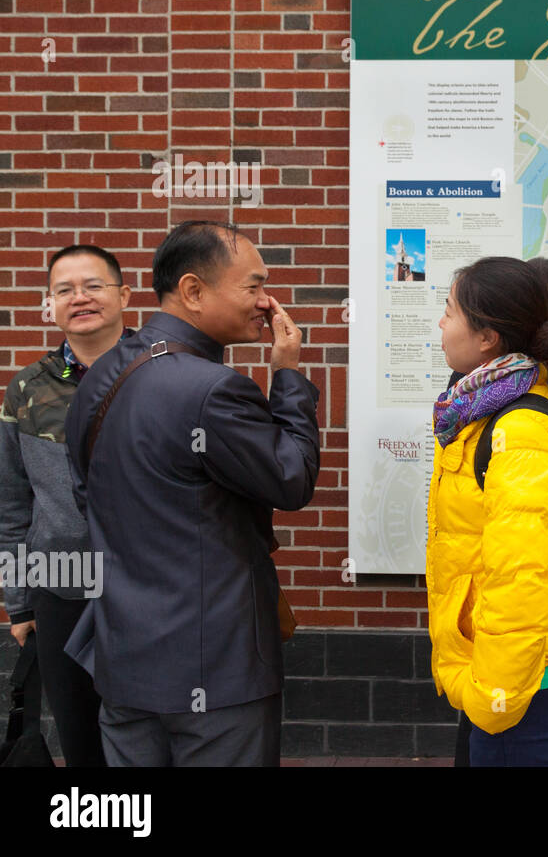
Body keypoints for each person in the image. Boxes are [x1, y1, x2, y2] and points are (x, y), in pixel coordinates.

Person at [63, 220, 320, 766]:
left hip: (123, 660)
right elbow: (291, 479)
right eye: (253, 287)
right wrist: (289, 380)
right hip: (217, 670)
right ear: (193, 291)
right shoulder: (214, 388)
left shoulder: (100, 376)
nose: (266, 302)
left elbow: (90, 498)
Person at [427, 256, 548, 766]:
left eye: (450, 310)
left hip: (526, 681)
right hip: (510, 669)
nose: (441, 322)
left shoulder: (518, 431)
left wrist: (492, 698)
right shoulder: (480, 412)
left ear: (487, 338)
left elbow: (522, 577)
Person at [0, 245, 135, 766]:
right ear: (49, 305)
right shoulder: (26, 390)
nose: (79, 298)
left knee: (151, 731)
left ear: (124, 295)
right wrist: (21, 603)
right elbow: (12, 501)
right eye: (64, 289)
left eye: (93, 285)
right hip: (63, 582)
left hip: (147, 584)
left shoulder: (161, 372)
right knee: (81, 739)